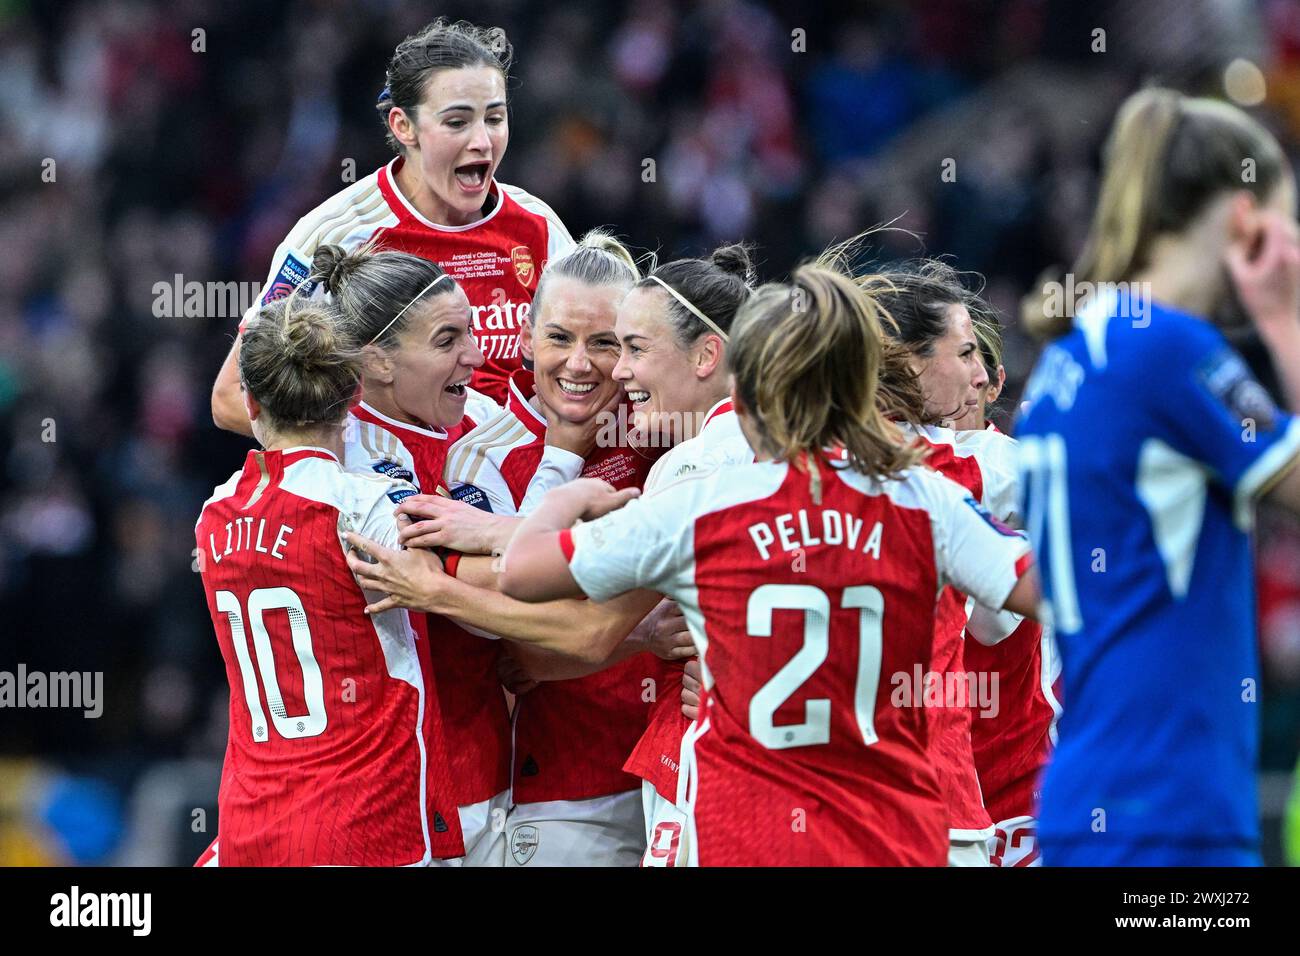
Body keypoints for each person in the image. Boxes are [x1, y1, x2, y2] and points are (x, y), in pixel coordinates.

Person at [497, 264, 1042, 866]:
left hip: (749, 833)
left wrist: (570, 498)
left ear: (747, 391)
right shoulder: (926, 500)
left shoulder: (702, 505)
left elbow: (522, 571)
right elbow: (1055, 593)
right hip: (896, 831)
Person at [1017, 88, 1300, 865]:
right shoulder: (1165, 348)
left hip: (1093, 795)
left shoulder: (1068, 360)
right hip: (1168, 808)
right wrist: (1287, 317)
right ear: (1247, 220)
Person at [194, 295, 465, 866]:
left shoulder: (213, 516)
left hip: (248, 823)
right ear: (354, 397)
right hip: (362, 821)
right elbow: (451, 588)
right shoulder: (358, 507)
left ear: (250, 403)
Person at [211, 17, 573, 432]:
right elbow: (232, 397)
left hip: (524, 490)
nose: (482, 142)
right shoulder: (340, 233)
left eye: (494, 118)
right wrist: (387, 464)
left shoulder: (539, 229)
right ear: (404, 126)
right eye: (457, 122)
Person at [308, 241, 510, 865]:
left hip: (485, 763)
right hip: (403, 781)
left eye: (472, 332)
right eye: (447, 340)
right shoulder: (355, 462)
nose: (474, 357)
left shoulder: (476, 424)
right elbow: (476, 599)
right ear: (379, 362)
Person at [862, 258, 1024, 866]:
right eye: (964, 354)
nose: (981, 376)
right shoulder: (955, 465)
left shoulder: (772, 450)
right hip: (938, 800)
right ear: (907, 362)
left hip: (820, 804)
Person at [610, 244, 756, 866]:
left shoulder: (695, 463)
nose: (618, 371)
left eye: (636, 349)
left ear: (706, 355)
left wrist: (438, 590)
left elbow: (586, 628)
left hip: (712, 757)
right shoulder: (791, 442)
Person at [957, 311, 1062, 868]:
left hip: (1013, 779)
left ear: (995, 382)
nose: (966, 376)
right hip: (909, 780)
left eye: (974, 358)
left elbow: (995, 622)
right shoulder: (878, 474)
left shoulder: (1014, 469)